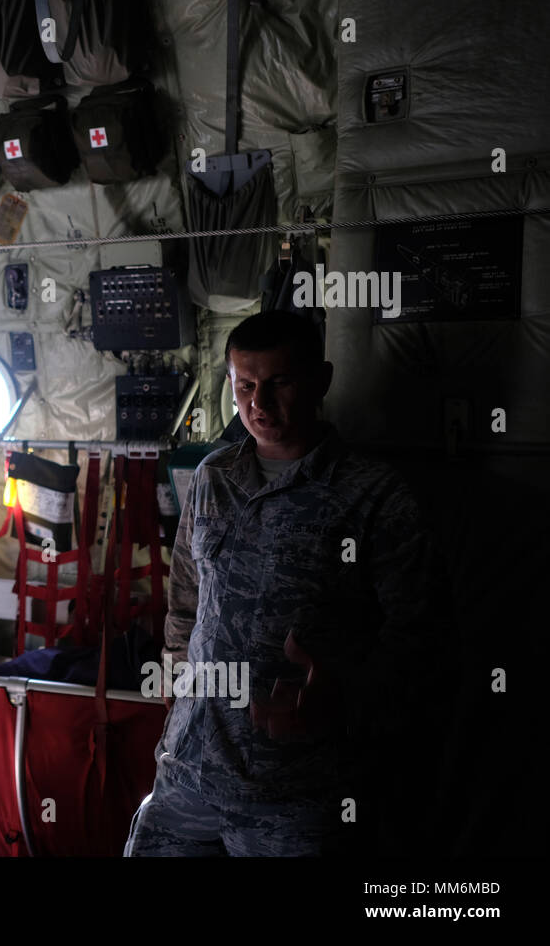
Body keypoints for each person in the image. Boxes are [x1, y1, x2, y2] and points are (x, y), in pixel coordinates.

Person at [125, 311, 442, 856]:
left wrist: (343, 697)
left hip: (295, 789)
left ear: (321, 380)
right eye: (245, 387)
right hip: (190, 767)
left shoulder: (374, 497)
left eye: (280, 383)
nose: (259, 405)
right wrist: (177, 694)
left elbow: (420, 639)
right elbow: (186, 602)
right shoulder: (213, 477)